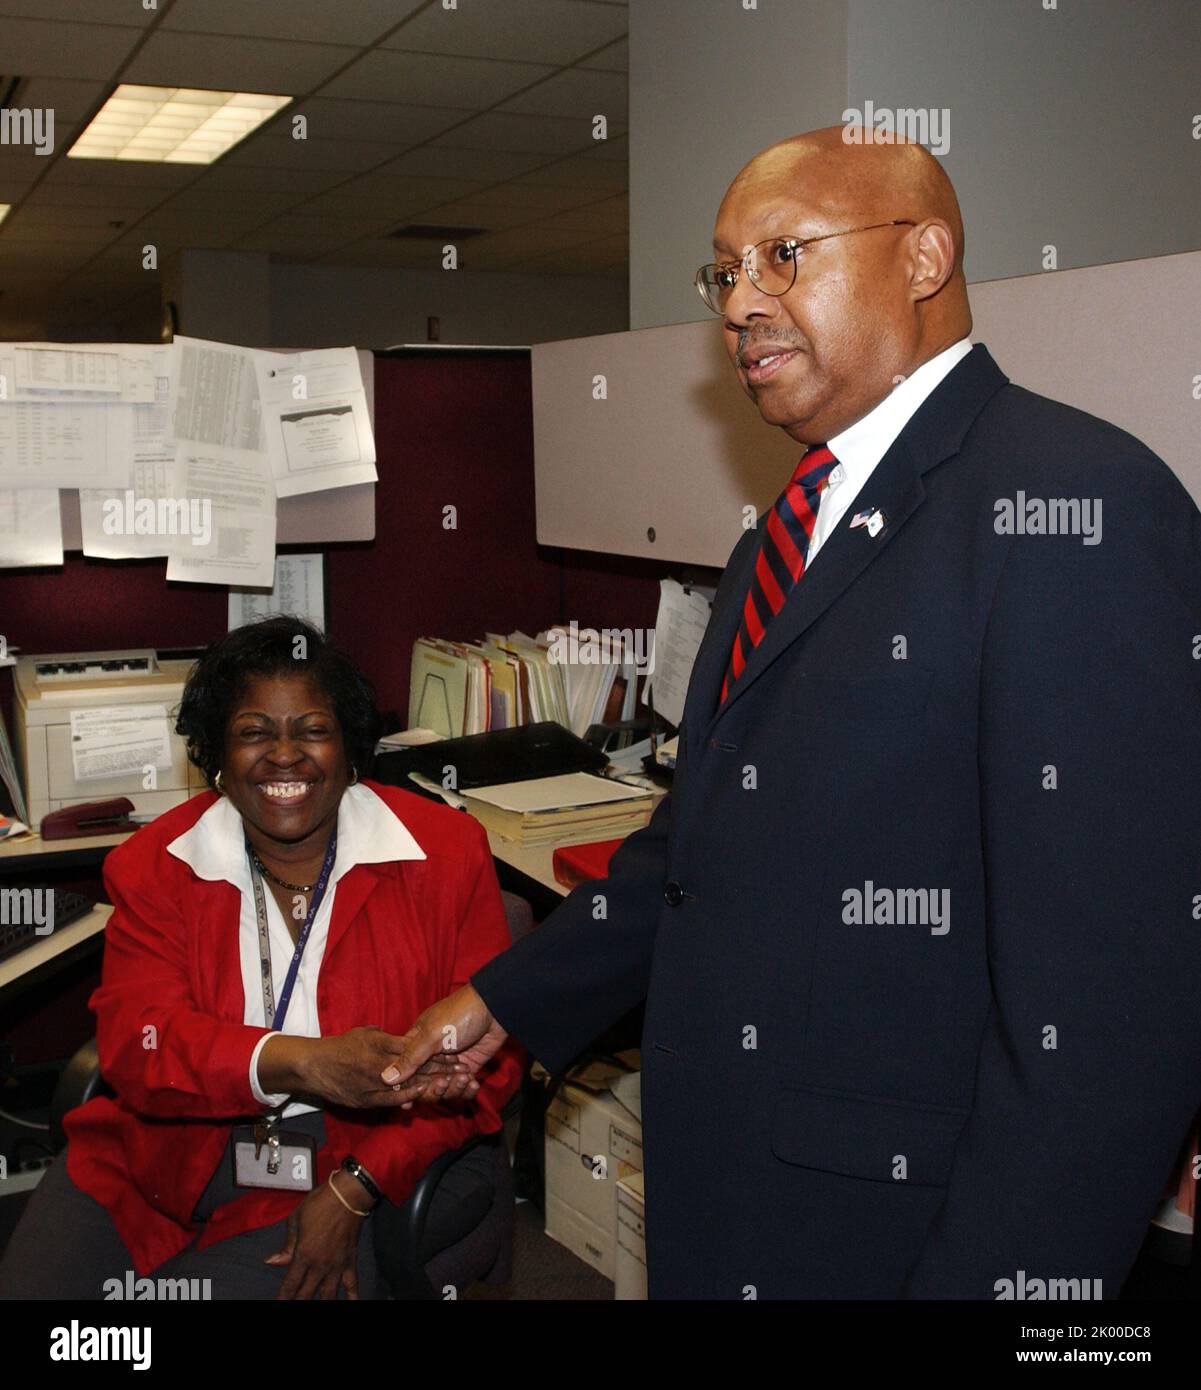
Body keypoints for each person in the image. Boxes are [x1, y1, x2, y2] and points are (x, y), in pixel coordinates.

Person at [377, 127, 1201, 1298]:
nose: (739, 305)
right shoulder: (785, 528)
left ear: (923, 257)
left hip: (900, 1234)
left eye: (781, 256)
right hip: (740, 1191)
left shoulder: (1071, 506)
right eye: (724, 274)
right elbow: (694, 849)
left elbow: (1111, 1025)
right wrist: (509, 1000)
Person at [0, 616, 523, 1300]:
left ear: (351, 746)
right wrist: (301, 1060)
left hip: (356, 1156)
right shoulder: (155, 865)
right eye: (253, 732)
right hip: (159, 1151)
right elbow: (137, 1043)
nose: (285, 756)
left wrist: (355, 1188)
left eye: (312, 729)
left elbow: (494, 1059)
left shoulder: (445, 851)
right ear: (216, 750)